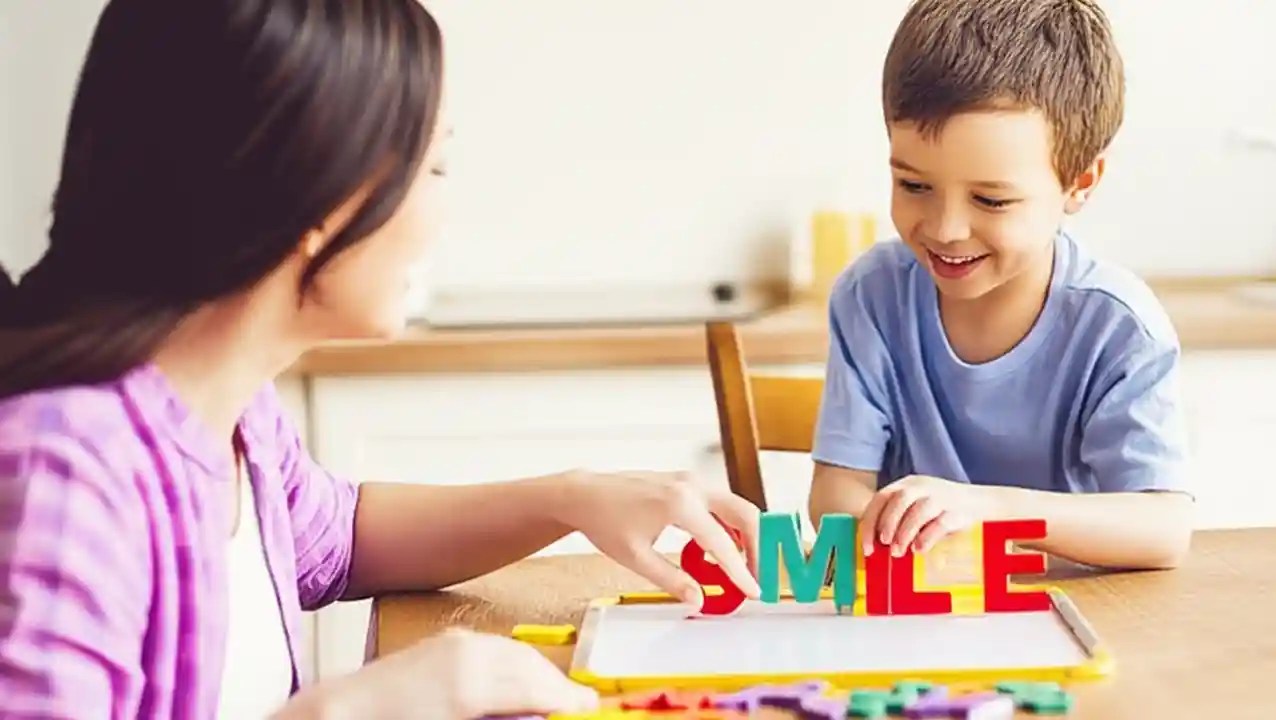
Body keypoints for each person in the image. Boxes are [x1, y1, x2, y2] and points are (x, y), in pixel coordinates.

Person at [0, 1, 762, 718]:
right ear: (315, 195)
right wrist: (352, 705)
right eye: (432, 168)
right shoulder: (68, 469)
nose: (440, 214)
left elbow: (339, 537)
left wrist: (570, 498)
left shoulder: (229, 412)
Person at [807, 0, 1194, 571]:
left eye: (991, 200)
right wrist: (884, 528)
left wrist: (984, 510)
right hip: (920, 627)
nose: (944, 229)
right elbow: (834, 498)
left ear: (1079, 183)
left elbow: (1161, 530)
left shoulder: (1118, 326)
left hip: (1074, 618)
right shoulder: (871, 298)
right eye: (914, 185)